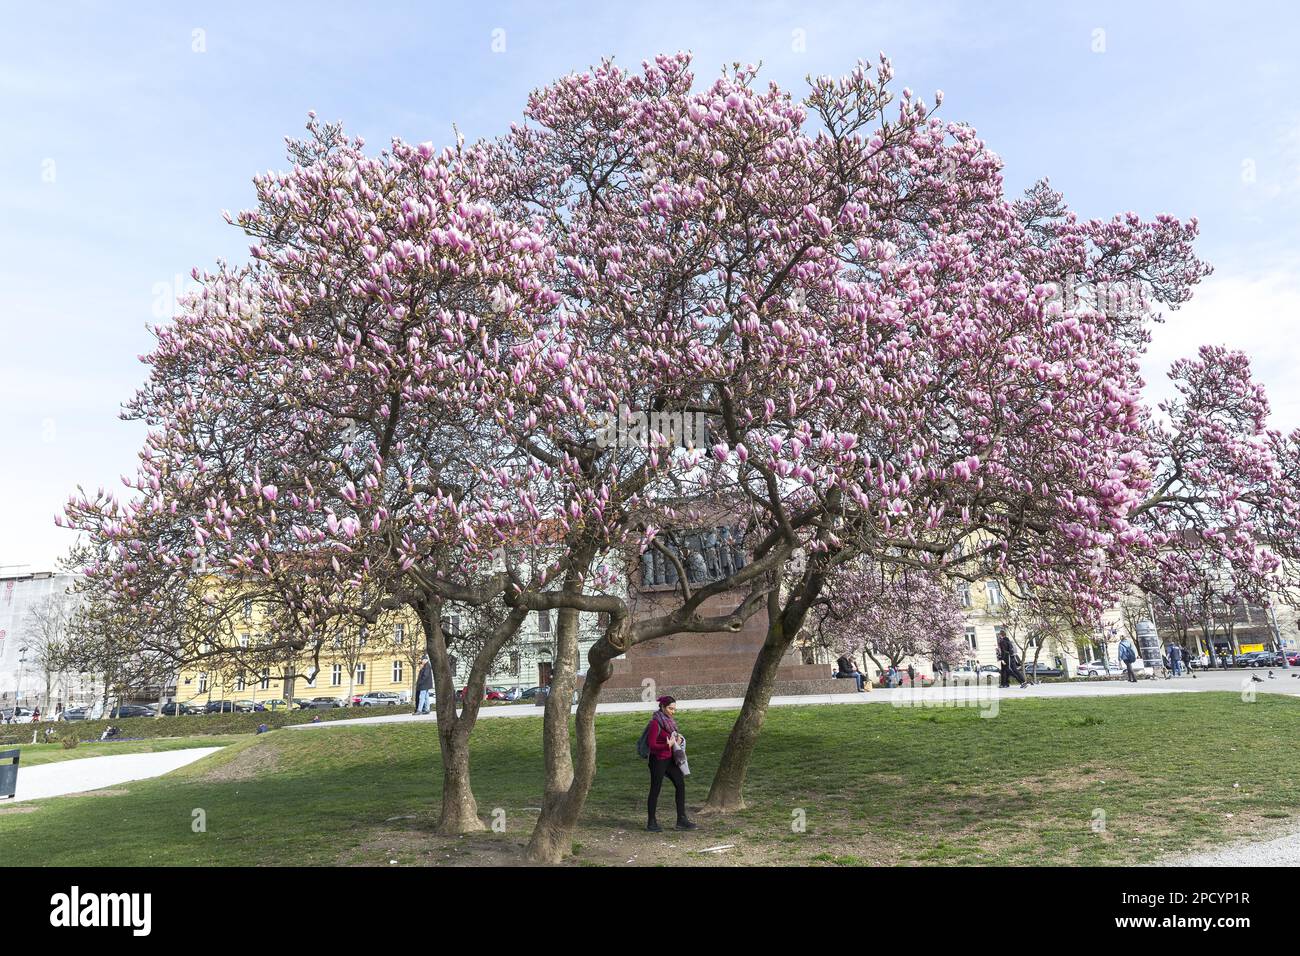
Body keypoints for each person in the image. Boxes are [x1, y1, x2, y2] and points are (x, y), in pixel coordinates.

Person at [644, 696, 697, 832]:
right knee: (655, 789)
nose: (672, 711)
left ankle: (681, 820)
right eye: (670, 708)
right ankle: (651, 823)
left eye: (674, 709)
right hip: (658, 760)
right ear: (662, 707)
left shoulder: (670, 722)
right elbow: (651, 744)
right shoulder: (655, 723)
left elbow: (671, 740)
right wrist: (668, 745)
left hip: (670, 759)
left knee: (680, 784)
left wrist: (677, 742)